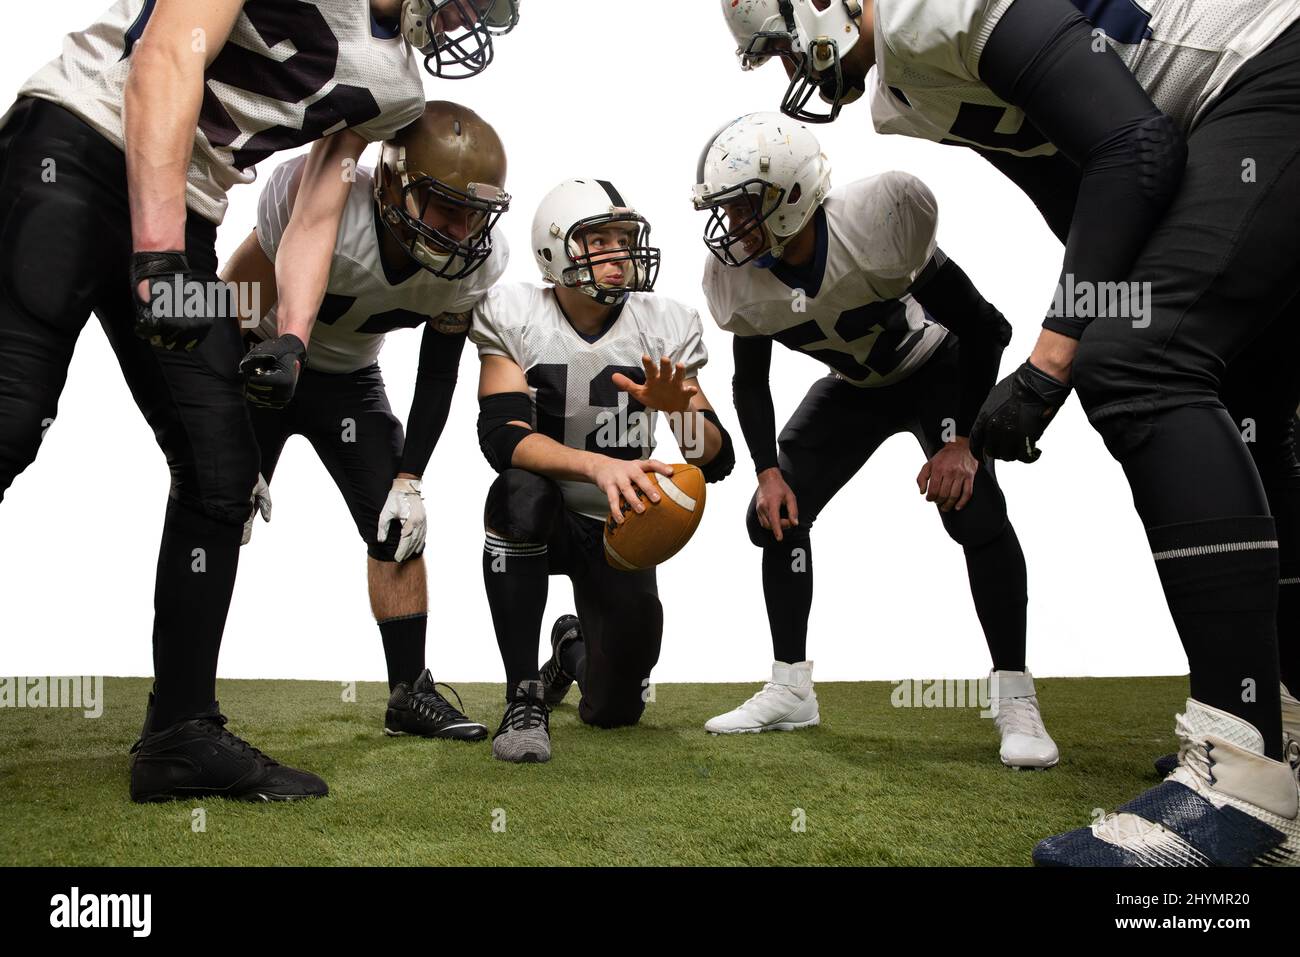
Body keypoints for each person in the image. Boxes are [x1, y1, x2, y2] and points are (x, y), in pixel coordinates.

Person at [721, 0, 1300, 866]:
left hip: (1260, 76)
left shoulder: (922, 19)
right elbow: (1074, 184)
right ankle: (1278, 719)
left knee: (1137, 362)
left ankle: (1241, 786)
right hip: (1240, 108)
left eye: (779, 46)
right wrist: (1101, 304)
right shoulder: (904, 89)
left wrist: (1050, 359)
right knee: (1241, 385)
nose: (787, 71)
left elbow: (1135, 147)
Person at [0, 0, 516, 803]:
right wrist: (160, 256)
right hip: (77, 143)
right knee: (9, 419)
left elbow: (320, 195)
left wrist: (294, 337)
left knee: (221, 470)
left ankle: (178, 733)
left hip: (191, 207)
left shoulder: (397, 91)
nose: (458, 19)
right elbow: (168, 52)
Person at [694, 112, 1057, 769]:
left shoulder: (879, 221)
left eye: (746, 207)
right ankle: (791, 688)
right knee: (774, 515)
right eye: (729, 210)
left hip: (936, 369)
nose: (734, 227)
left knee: (972, 508)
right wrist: (766, 470)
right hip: (856, 386)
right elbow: (750, 380)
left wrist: (965, 446)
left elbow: (988, 330)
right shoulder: (739, 279)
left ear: (794, 196)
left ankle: (1015, 694)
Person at [224, 101, 512, 743]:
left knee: (396, 523)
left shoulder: (477, 265)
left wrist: (411, 477)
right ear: (389, 184)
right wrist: (225, 414)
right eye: (445, 209)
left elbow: (439, 373)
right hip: (266, 363)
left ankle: (409, 693)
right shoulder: (319, 191)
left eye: (476, 215)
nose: (463, 233)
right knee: (215, 510)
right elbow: (234, 299)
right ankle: (181, 696)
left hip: (351, 383)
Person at [470, 179, 735, 762]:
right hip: (547, 515)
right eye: (601, 241)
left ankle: (569, 648)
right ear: (556, 248)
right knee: (517, 492)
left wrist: (678, 413)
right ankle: (524, 694)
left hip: (621, 527)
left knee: (616, 709)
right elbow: (502, 437)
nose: (620, 253)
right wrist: (596, 467)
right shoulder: (515, 314)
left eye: (625, 239)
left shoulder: (663, 323)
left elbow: (714, 461)